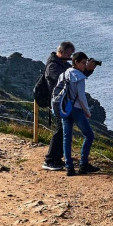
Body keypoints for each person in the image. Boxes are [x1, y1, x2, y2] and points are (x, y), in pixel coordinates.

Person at [54, 52, 101, 176]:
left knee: (66, 137)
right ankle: (83, 164)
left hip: (64, 108)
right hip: (76, 110)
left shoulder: (64, 74)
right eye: (83, 63)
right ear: (76, 62)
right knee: (89, 135)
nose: (85, 65)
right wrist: (87, 111)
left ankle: (69, 167)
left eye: (85, 63)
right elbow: (81, 97)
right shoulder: (79, 76)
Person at [40, 41, 75, 171]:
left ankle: (57, 158)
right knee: (60, 130)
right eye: (69, 54)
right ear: (63, 52)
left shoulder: (61, 64)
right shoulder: (53, 66)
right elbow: (61, 80)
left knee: (64, 131)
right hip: (57, 103)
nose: (70, 57)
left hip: (62, 102)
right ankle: (50, 159)